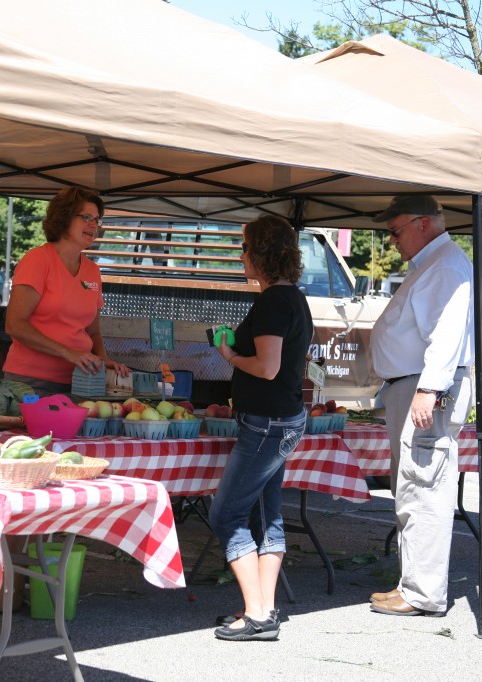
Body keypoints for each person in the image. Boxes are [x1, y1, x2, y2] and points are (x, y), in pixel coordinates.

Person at [207, 215, 313, 641]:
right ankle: (265, 609)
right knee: (267, 514)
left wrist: (230, 356)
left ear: (261, 253)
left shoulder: (272, 302)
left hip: (267, 422)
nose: (242, 256)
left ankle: (256, 614)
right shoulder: (294, 298)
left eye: (245, 247)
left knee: (226, 514)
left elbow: (268, 368)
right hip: (284, 418)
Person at [367, 194, 474, 617]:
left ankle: (422, 593)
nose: (392, 240)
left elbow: (446, 332)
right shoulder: (434, 264)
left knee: (424, 486)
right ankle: (412, 585)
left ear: (423, 224)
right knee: (413, 485)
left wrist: (429, 388)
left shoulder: (443, 265)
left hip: (424, 386)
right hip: (413, 384)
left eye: (396, 231)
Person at [2, 186, 129, 396]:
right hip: (31, 382)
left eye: (97, 220)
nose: (93, 225)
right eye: (86, 217)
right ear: (64, 217)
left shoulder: (92, 271)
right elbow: (15, 324)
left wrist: (103, 360)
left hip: (81, 381)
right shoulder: (38, 260)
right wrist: (69, 353)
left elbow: (93, 332)